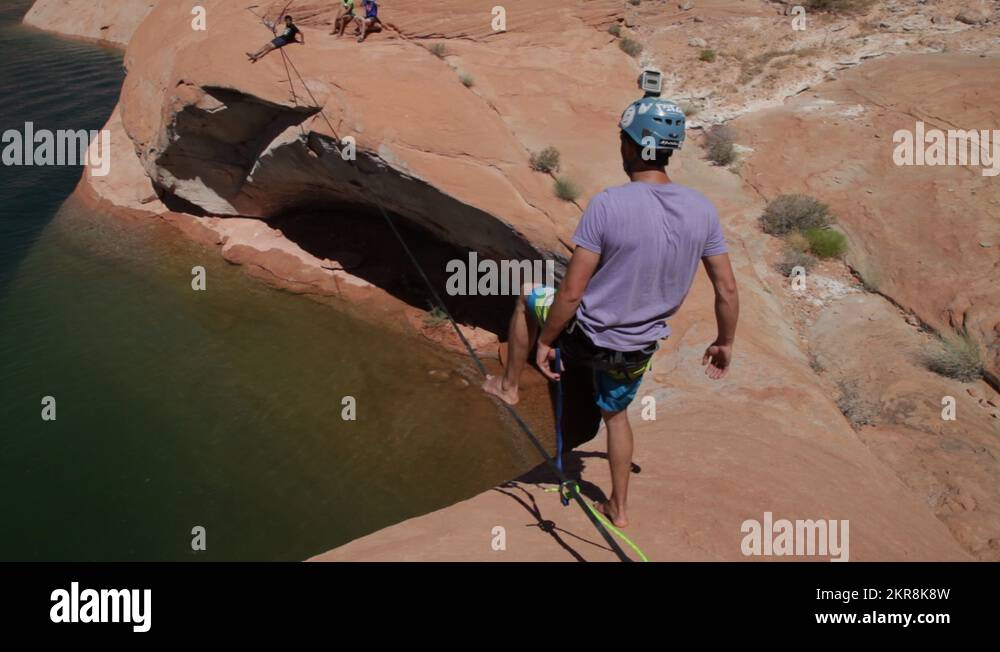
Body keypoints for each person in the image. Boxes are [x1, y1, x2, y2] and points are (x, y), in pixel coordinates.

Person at [482, 97, 740, 529]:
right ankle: (618, 509)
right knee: (616, 416)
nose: (620, 146)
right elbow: (727, 287)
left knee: (529, 295)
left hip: (587, 335)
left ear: (635, 146)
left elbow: (570, 291)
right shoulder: (702, 210)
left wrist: (546, 342)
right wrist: (725, 341)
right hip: (637, 347)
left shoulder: (608, 205)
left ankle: (509, 386)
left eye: (623, 139)